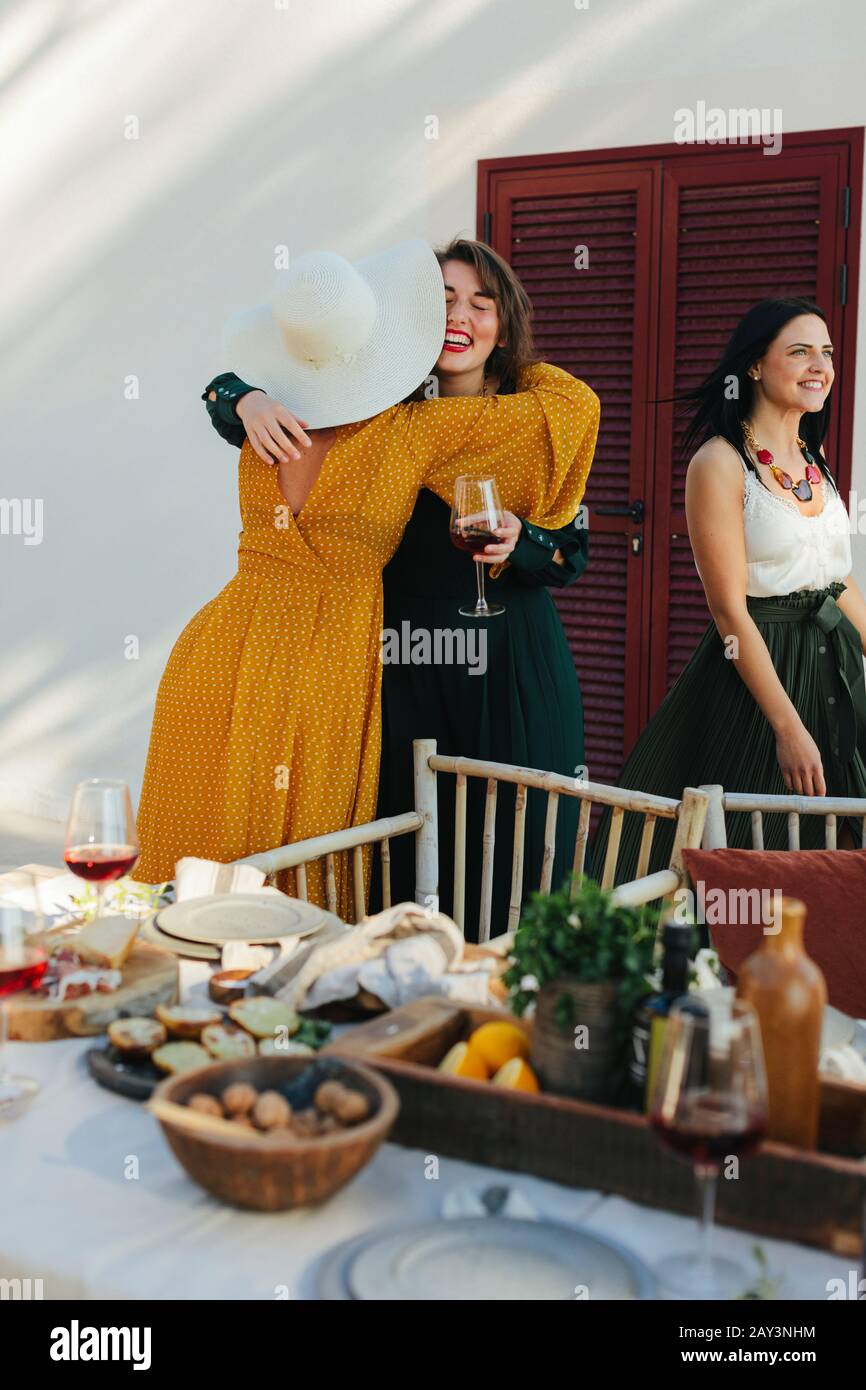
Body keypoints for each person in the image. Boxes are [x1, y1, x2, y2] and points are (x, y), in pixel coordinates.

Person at [132, 240, 599, 918]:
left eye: (481, 302)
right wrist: (241, 394)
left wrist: (520, 540)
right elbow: (237, 398)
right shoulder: (369, 408)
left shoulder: (531, 420)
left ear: (505, 322)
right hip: (392, 666)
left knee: (516, 865)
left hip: (506, 663)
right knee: (396, 870)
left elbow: (570, 549)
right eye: (442, 302)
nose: (461, 316)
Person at [592, 298, 866, 883]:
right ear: (757, 367)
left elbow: (835, 580)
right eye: (799, 351)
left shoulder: (812, 461)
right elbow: (728, 610)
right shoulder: (719, 463)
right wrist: (788, 728)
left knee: (835, 846)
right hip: (761, 669)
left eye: (827, 352)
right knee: (745, 852)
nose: (819, 365)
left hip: (832, 668)